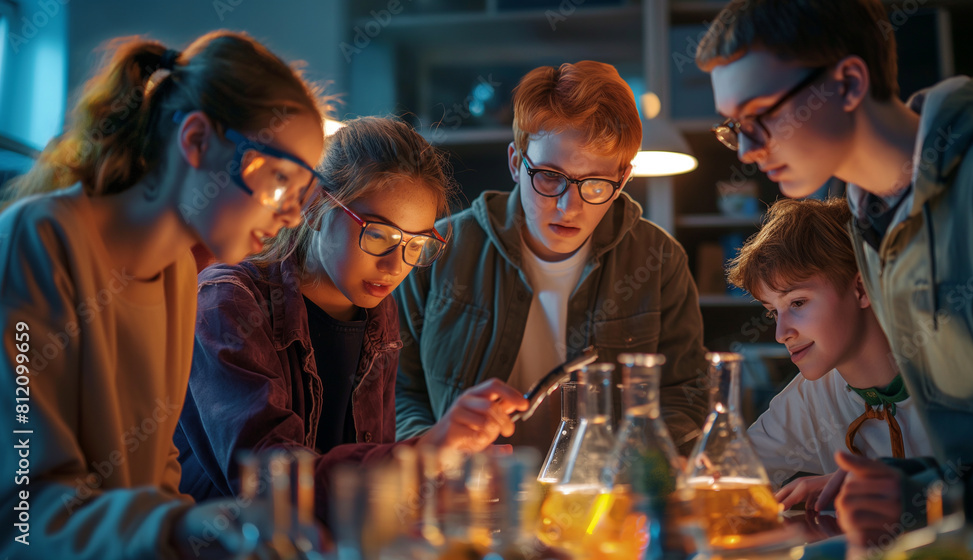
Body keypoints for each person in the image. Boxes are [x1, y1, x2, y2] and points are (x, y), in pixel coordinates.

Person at [0, 32, 328, 559]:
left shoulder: (177, 271)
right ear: (195, 140)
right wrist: (187, 524)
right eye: (278, 181)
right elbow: (20, 518)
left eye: (301, 193)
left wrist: (198, 529)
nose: (291, 214)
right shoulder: (37, 241)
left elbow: (154, 479)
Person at [697, 0, 973, 549]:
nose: (746, 150)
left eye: (761, 114)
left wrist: (930, 497)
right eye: (734, 128)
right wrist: (909, 488)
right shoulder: (872, 227)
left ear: (849, 83)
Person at [173, 117, 528, 514]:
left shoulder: (377, 307)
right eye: (378, 235)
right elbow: (272, 483)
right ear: (314, 206)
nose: (394, 266)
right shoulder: (227, 303)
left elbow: (368, 486)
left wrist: (445, 475)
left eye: (415, 245)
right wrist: (423, 455)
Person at [395, 60, 709, 456]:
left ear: (622, 180)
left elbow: (687, 394)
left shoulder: (659, 261)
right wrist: (437, 451)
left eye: (595, 184)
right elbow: (395, 390)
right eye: (548, 176)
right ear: (516, 162)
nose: (568, 206)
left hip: (605, 491)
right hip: (464, 485)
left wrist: (636, 461)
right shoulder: (438, 250)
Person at [728, 198, 932, 510]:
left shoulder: (951, 373)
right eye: (773, 312)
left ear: (861, 289)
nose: (782, 333)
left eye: (798, 303)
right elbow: (735, 475)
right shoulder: (809, 397)